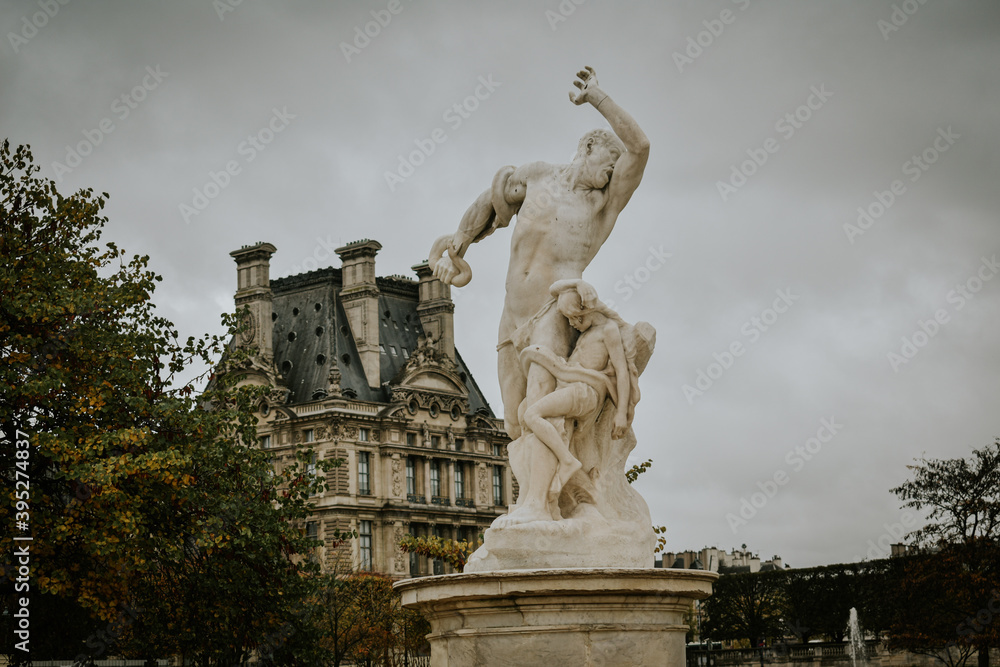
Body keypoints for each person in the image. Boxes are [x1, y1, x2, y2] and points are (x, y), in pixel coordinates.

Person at [429, 66, 649, 443]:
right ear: (587, 148)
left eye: (617, 166)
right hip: (510, 315)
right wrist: (459, 244)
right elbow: (491, 200)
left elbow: (640, 147)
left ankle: (550, 498)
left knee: (540, 416)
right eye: (608, 158)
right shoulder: (538, 176)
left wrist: (595, 96)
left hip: (551, 315)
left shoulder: (603, 205)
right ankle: (534, 501)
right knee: (515, 427)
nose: (613, 169)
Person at [515, 280, 636, 518]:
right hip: (573, 386)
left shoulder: (609, 330)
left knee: (532, 414)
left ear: (585, 310)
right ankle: (564, 465)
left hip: (586, 391)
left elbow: (621, 371)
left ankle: (568, 461)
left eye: (574, 318)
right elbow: (554, 288)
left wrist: (621, 412)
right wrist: (579, 284)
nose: (572, 324)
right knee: (526, 413)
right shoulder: (588, 331)